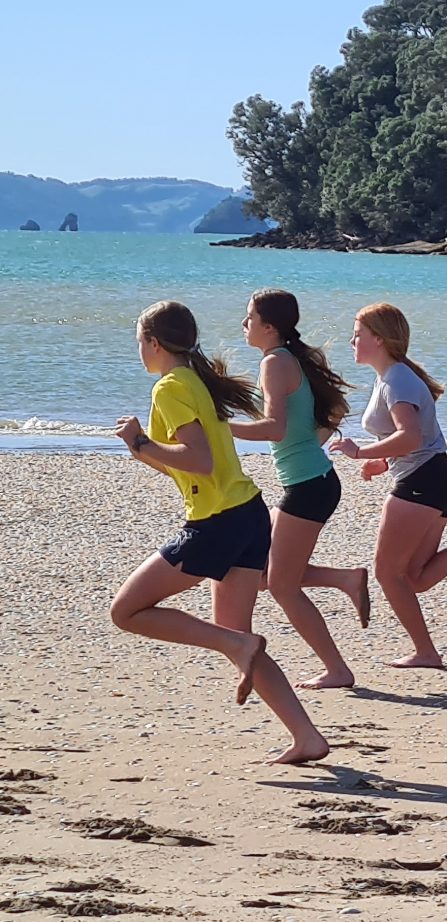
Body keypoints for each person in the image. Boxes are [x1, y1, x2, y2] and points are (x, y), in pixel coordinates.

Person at [110, 300, 328, 764]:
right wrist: (140, 448)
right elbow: (191, 464)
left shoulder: (170, 388)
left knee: (127, 611)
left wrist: (144, 442)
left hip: (219, 522)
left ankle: (238, 645)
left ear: (153, 343)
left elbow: (200, 461)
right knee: (235, 633)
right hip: (246, 515)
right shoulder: (194, 381)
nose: (139, 352)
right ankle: (307, 737)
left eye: (139, 343)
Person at [332, 303, 447, 669]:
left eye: (357, 334)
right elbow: (411, 439)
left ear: (379, 338)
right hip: (434, 479)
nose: (351, 340)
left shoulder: (398, 380)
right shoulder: (391, 376)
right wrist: (382, 461)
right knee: (414, 577)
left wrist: (360, 452)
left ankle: (426, 652)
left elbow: (411, 436)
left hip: (422, 482)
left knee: (388, 573)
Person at [231, 289, 372, 690]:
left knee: (281, 585)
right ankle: (345, 579)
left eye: (249, 318)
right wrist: (310, 444)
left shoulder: (276, 362)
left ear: (269, 327)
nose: (245, 325)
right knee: (263, 574)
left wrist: (217, 428)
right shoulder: (288, 359)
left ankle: (337, 670)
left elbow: (274, 428)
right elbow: (336, 409)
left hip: (309, 486)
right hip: (311, 481)